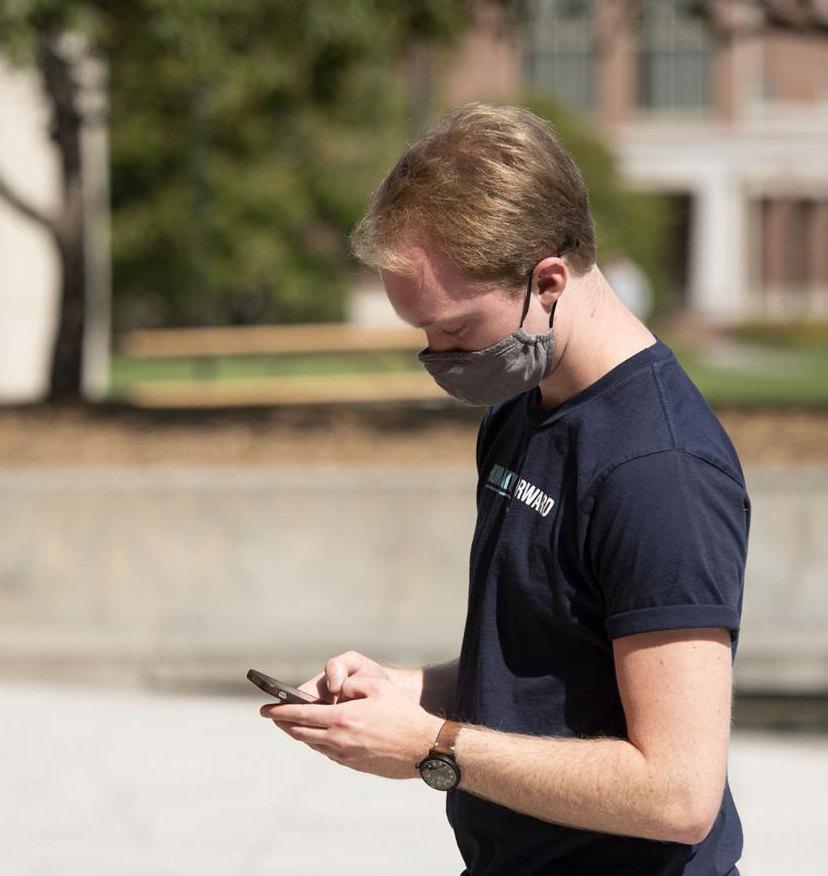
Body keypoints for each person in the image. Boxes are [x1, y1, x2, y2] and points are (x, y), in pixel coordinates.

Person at [260, 102, 749, 876]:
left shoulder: (660, 471)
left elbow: (678, 793)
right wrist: (405, 693)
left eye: (455, 332)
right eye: (424, 335)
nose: (439, 358)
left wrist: (432, 749)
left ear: (548, 278)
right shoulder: (522, 411)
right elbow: (544, 673)